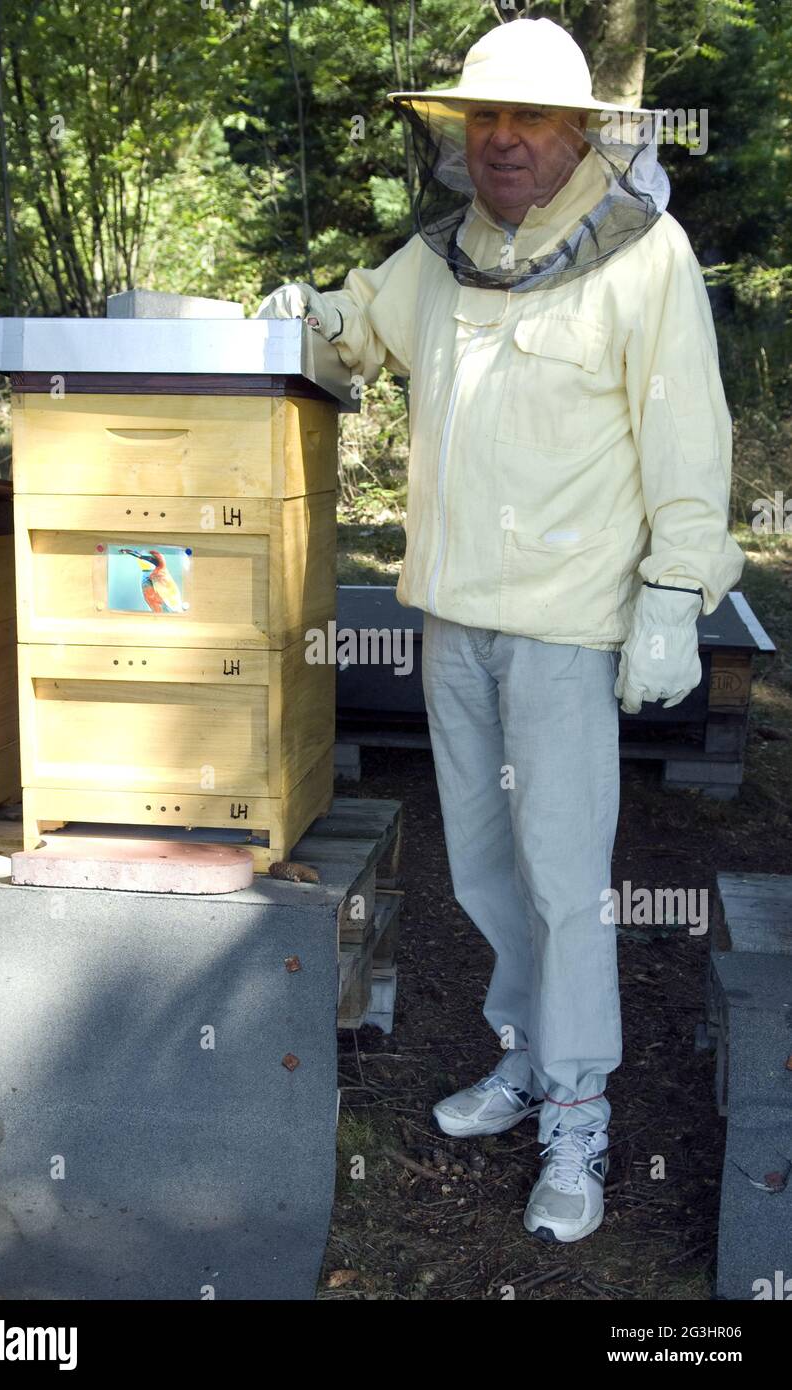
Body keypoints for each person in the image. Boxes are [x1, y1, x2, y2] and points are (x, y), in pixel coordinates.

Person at [255, 17, 744, 1243]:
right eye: (482, 118)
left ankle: (579, 1108)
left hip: (568, 631)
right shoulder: (446, 252)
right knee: (482, 867)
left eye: (527, 119)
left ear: (579, 130)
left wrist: (675, 592)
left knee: (566, 881)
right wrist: (299, 314)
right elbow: (357, 327)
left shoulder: (645, 255)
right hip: (452, 617)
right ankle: (524, 1055)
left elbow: (687, 437)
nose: (503, 140)